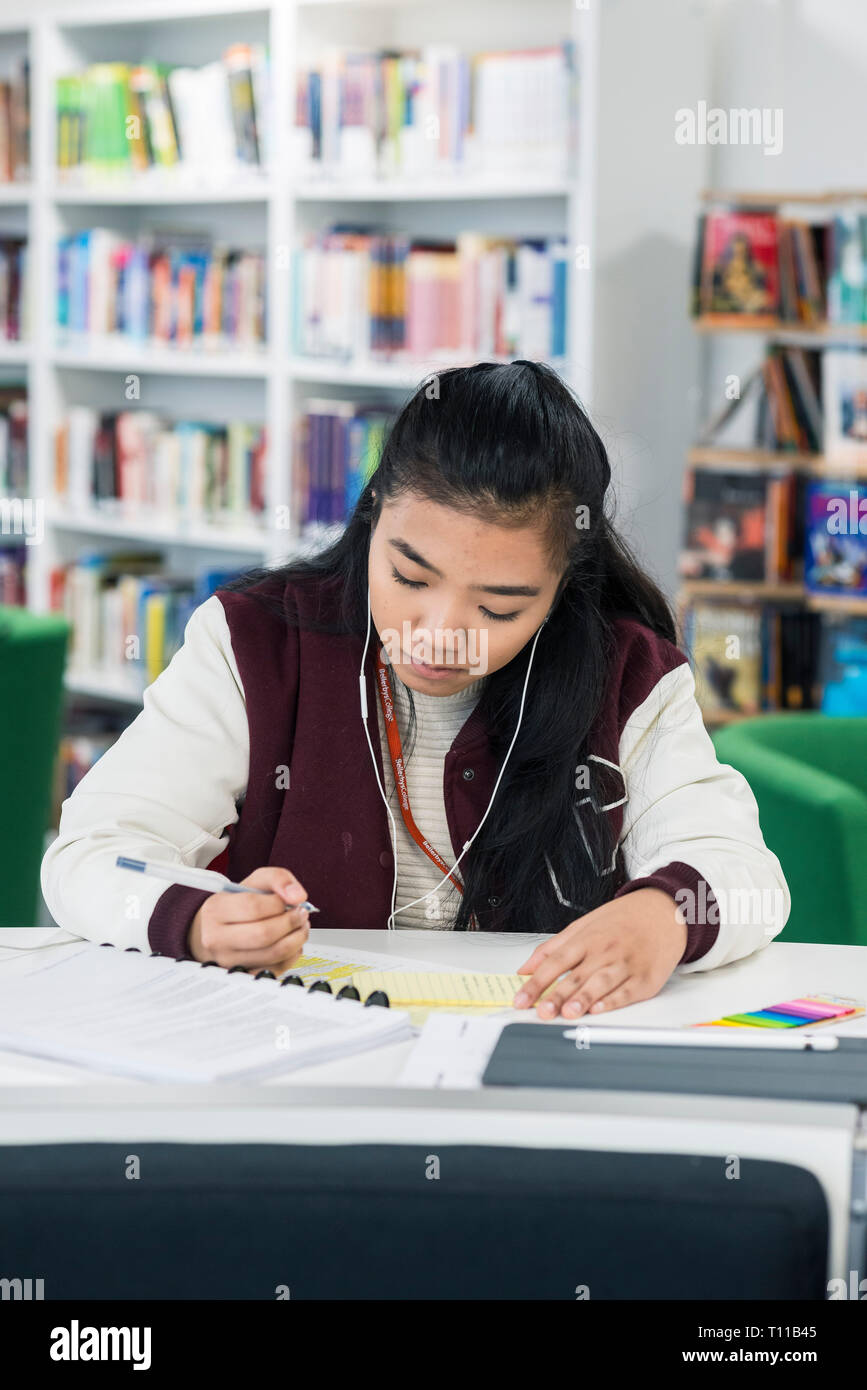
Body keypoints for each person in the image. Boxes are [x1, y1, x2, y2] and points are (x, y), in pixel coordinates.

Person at [41, 360, 789, 1019]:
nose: (440, 631)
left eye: (498, 607)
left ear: (563, 587)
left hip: (525, 1066)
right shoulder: (255, 642)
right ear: (371, 521)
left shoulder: (629, 675)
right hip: (298, 1064)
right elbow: (91, 852)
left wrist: (661, 916)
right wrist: (197, 916)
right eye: (408, 576)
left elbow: (750, 879)